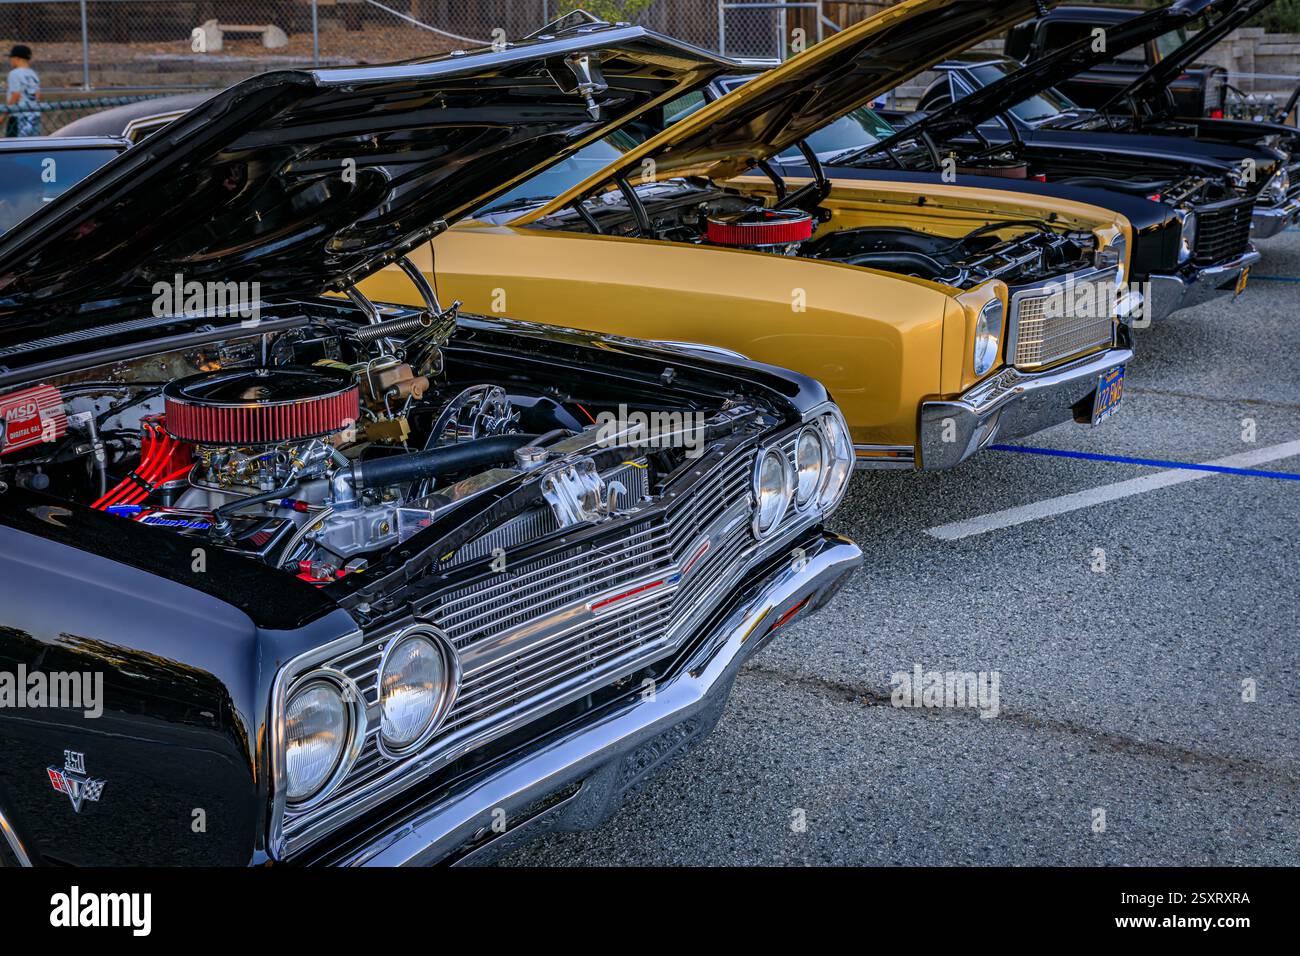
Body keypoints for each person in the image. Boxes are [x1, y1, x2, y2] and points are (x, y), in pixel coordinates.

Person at [6, 44, 41, 137]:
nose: (10, 60)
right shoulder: (33, 74)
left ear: (17, 58)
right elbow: (37, 96)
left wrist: (3, 114)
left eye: (11, 57)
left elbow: (16, 95)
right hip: (34, 115)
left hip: (18, 116)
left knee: (13, 147)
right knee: (32, 146)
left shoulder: (14, 74)